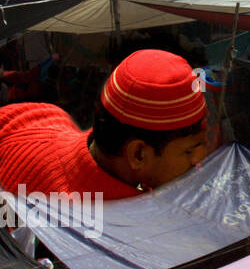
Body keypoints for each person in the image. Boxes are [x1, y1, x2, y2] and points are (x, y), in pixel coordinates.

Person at [0, 49, 209, 200]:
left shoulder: (34, 117)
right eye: (190, 150)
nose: (200, 159)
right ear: (138, 154)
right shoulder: (122, 231)